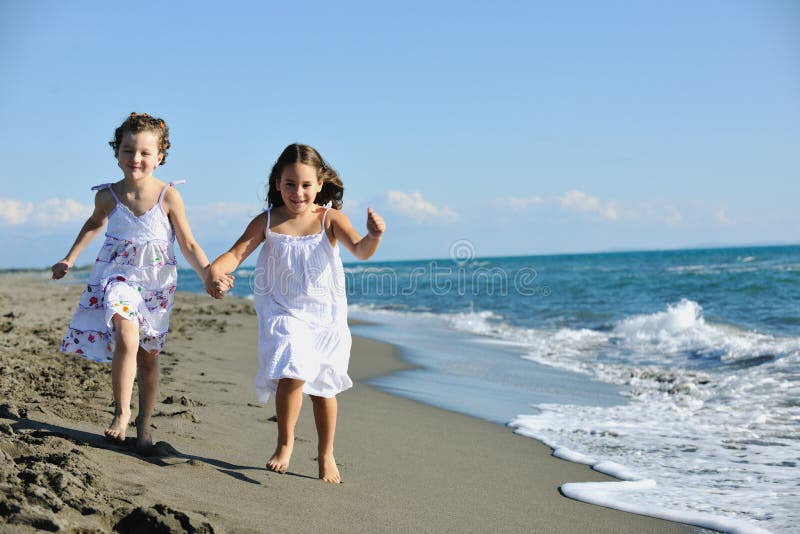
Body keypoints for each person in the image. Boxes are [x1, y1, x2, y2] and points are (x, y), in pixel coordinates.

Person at [206, 143, 385, 483]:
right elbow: (236, 253)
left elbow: (361, 250)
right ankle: (285, 443)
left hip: (325, 317)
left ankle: (326, 453)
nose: (297, 193)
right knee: (291, 369)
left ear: (320, 185)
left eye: (305, 185)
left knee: (323, 390)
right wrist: (216, 271)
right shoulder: (269, 221)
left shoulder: (329, 219)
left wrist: (374, 236)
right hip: (283, 311)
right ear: (277, 184)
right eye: (290, 184)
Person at [52, 112, 211, 451]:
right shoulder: (108, 196)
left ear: (160, 157)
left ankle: (145, 420)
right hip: (118, 276)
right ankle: (122, 412)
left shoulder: (168, 196)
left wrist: (209, 274)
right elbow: (94, 224)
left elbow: (188, 243)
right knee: (126, 331)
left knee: (148, 356)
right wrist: (70, 257)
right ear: (117, 152)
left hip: (156, 284)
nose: (135, 158)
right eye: (128, 150)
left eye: (144, 153)